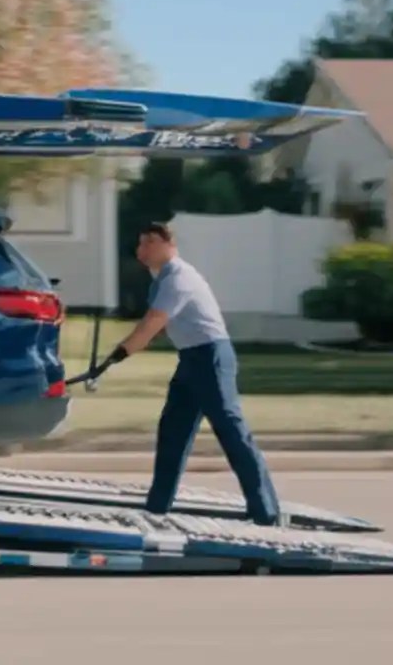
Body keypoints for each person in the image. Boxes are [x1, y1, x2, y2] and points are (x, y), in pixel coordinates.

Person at [95, 222, 282, 526]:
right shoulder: (163, 279)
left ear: (169, 244)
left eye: (150, 242)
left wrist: (113, 358)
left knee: (232, 432)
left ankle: (266, 512)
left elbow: (152, 324)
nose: (142, 250)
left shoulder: (177, 278)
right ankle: (156, 509)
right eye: (140, 243)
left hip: (210, 358)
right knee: (173, 431)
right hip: (191, 359)